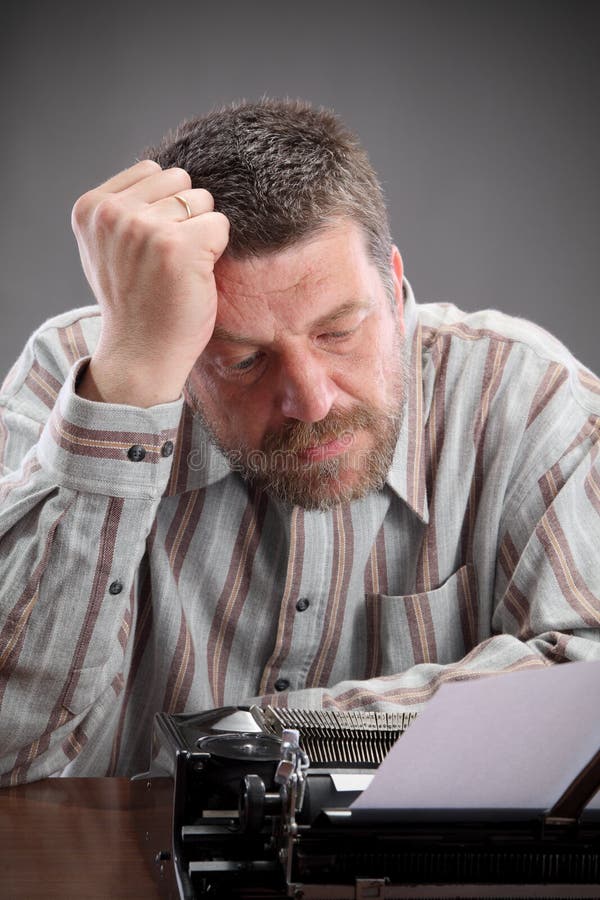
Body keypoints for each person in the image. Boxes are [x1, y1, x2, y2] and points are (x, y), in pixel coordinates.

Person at [1, 99, 599, 786]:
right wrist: (127, 391)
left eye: (339, 332)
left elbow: (588, 679)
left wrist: (248, 740)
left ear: (397, 288)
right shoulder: (76, 382)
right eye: (243, 360)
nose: (311, 400)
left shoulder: (527, 397)